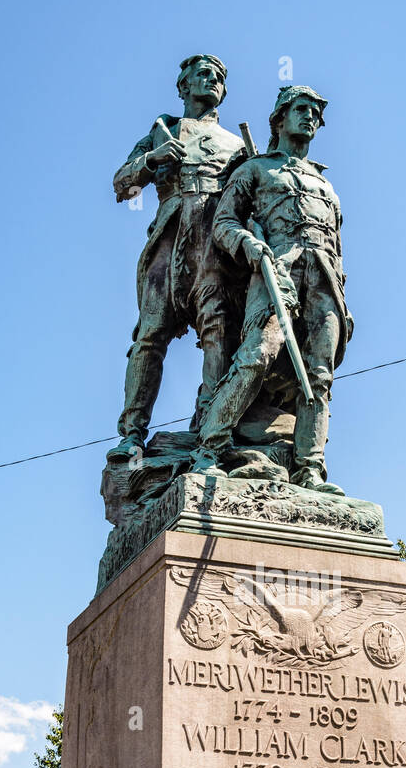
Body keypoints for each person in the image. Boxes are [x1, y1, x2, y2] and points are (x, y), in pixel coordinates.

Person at [193, 85, 353, 494]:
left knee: (319, 376)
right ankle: (209, 448)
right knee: (257, 355)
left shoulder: (326, 183)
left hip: (325, 280)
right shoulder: (256, 170)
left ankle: (310, 468)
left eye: (316, 112)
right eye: (302, 108)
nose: (310, 117)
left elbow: (337, 246)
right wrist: (248, 244)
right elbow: (223, 223)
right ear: (279, 118)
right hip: (275, 269)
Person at [109, 54, 245, 460]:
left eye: (219, 77)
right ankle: (132, 434)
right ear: (183, 86)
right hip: (170, 235)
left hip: (215, 239)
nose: (212, 80)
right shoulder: (162, 130)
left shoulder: (237, 144)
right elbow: (122, 186)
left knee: (219, 332)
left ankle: (210, 432)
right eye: (203, 74)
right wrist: (152, 160)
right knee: (150, 335)